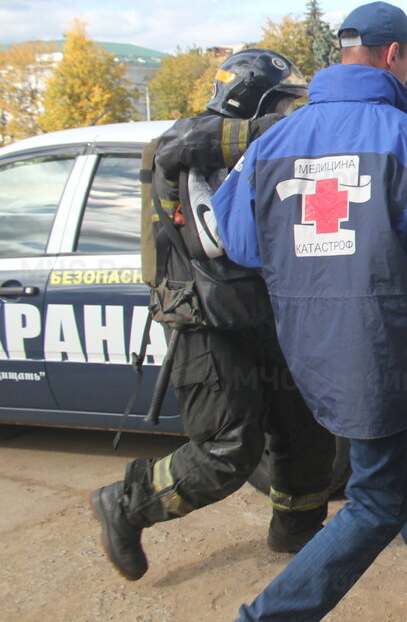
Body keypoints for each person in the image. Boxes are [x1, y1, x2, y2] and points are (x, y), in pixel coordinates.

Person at [212, 1, 407, 622]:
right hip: (388, 356)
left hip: (312, 350)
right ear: (393, 56)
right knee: (379, 497)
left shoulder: (275, 139)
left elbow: (241, 243)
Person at [88, 49, 334, 582]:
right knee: (228, 449)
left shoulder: (251, 154)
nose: (290, 116)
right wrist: (307, 122)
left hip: (262, 316)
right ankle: (126, 504)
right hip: (206, 324)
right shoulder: (185, 140)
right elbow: (200, 145)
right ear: (250, 99)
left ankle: (298, 532)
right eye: (284, 105)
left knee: (305, 432)